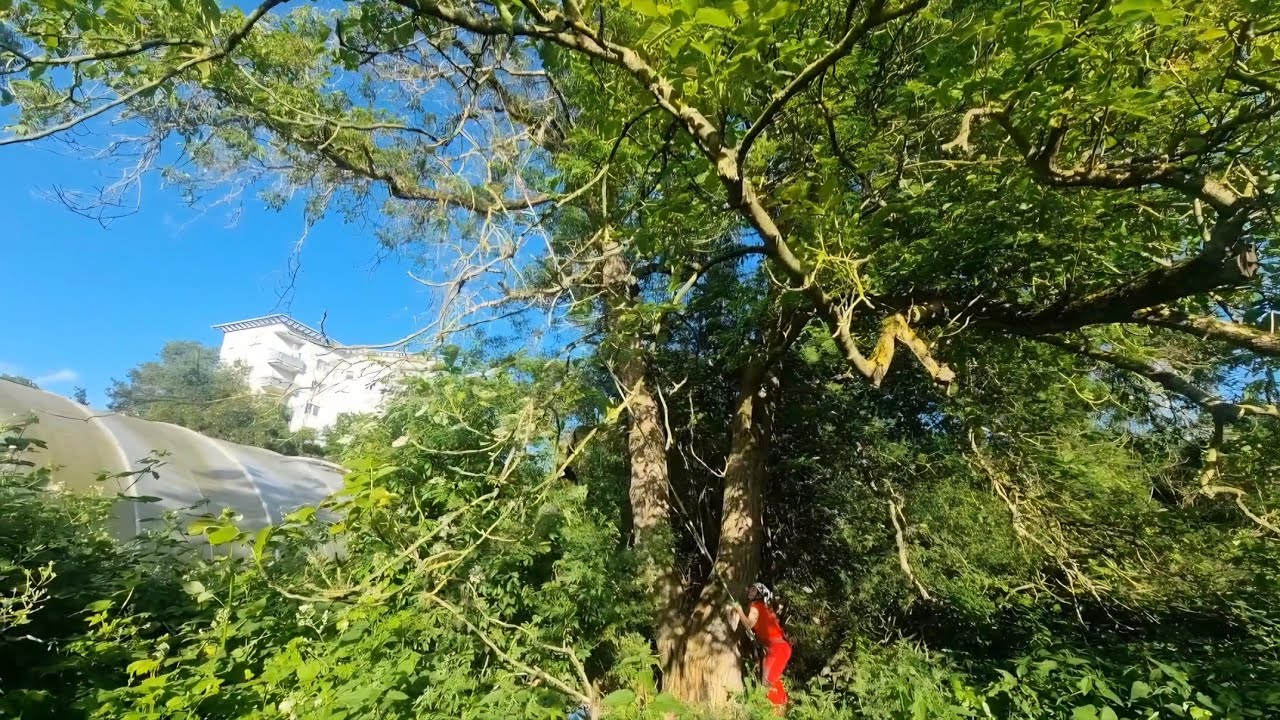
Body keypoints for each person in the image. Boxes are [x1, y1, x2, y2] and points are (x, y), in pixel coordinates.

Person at [728, 582, 792, 712]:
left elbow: (748, 624)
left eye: (753, 590)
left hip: (778, 649)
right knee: (770, 677)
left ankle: (777, 708)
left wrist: (739, 610)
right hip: (777, 648)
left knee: (767, 680)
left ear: (759, 594)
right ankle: (782, 704)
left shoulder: (756, 606)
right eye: (750, 589)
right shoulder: (766, 608)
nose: (750, 592)